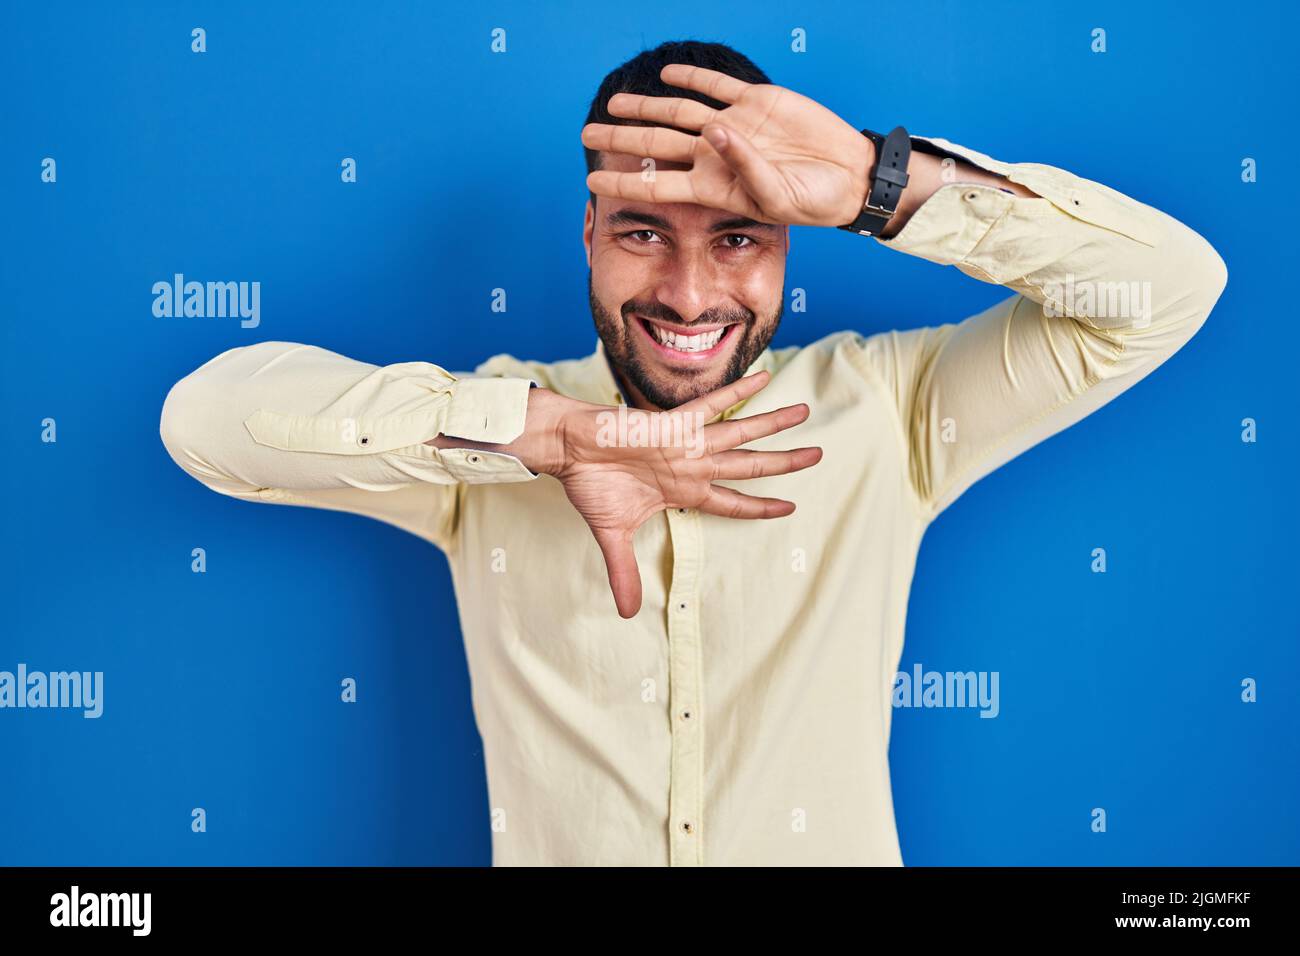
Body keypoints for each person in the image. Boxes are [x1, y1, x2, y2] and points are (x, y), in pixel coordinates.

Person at [160, 40, 1227, 866]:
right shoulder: (478, 447)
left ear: (786, 244)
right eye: (640, 231)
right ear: (586, 233)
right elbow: (205, 422)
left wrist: (876, 182)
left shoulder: (894, 410)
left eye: (736, 235)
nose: (686, 291)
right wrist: (548, 434)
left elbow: (1169, 291)